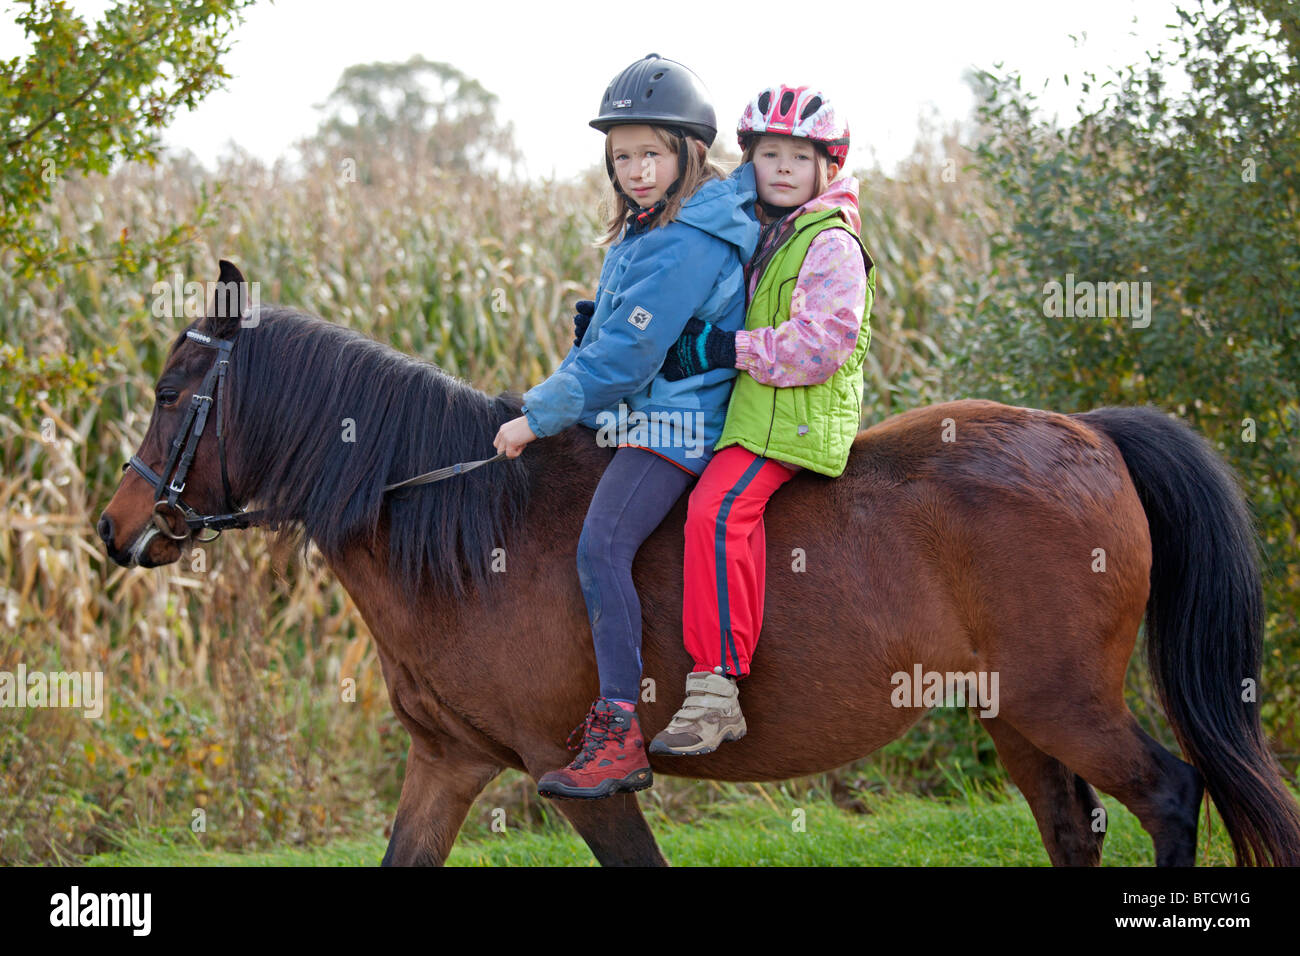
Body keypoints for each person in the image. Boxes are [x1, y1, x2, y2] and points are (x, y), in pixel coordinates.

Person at [491, 54, 759, 797]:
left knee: (602, 544)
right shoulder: (649, 228)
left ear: (687, 154)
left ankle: (617, 732)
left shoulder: (687, 238)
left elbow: (626, 355)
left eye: (651, 153)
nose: (636, 169)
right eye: (622, 157)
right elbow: (611, 342)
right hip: (643, 416)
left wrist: (536, 417)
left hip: (680, 428)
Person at [649, 85, 876, 756]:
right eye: (768, 153)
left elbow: (820, 345)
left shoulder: (829, 242)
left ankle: (716, 692)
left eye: (798, 157)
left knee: (718, 510)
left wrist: (728, 349)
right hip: (750, 409)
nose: (781, 168)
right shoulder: (760, 232)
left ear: (825, 168)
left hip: (794, 418)